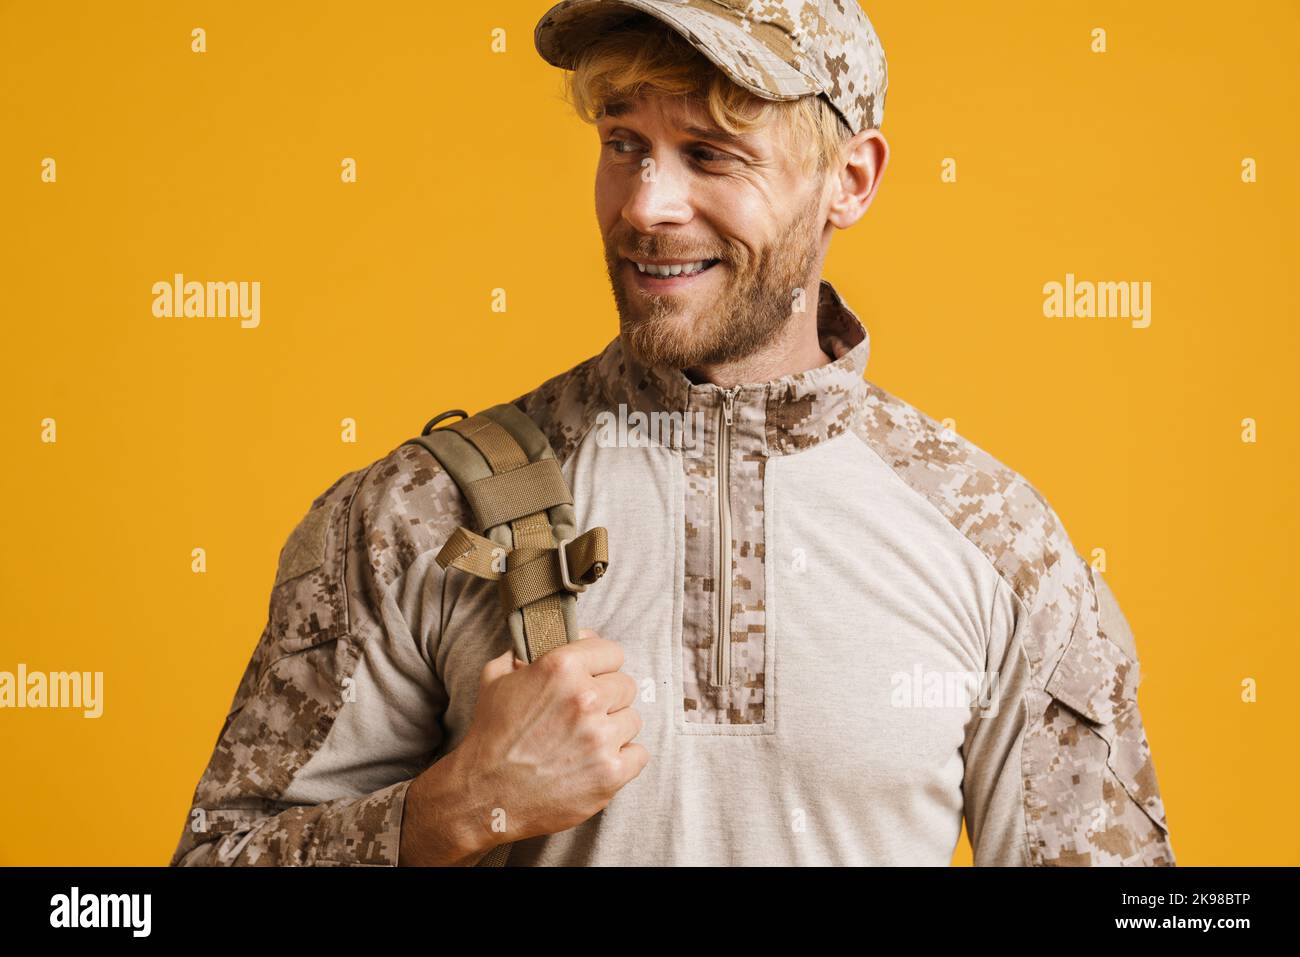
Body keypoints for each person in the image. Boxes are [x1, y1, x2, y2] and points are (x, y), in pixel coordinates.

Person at [171, 0, 1175, 866]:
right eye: (624, 145)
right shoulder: (417, 511)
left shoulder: (1000, 545)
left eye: (710, 154)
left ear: (851, 179)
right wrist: (456, 806)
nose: (647, 207)